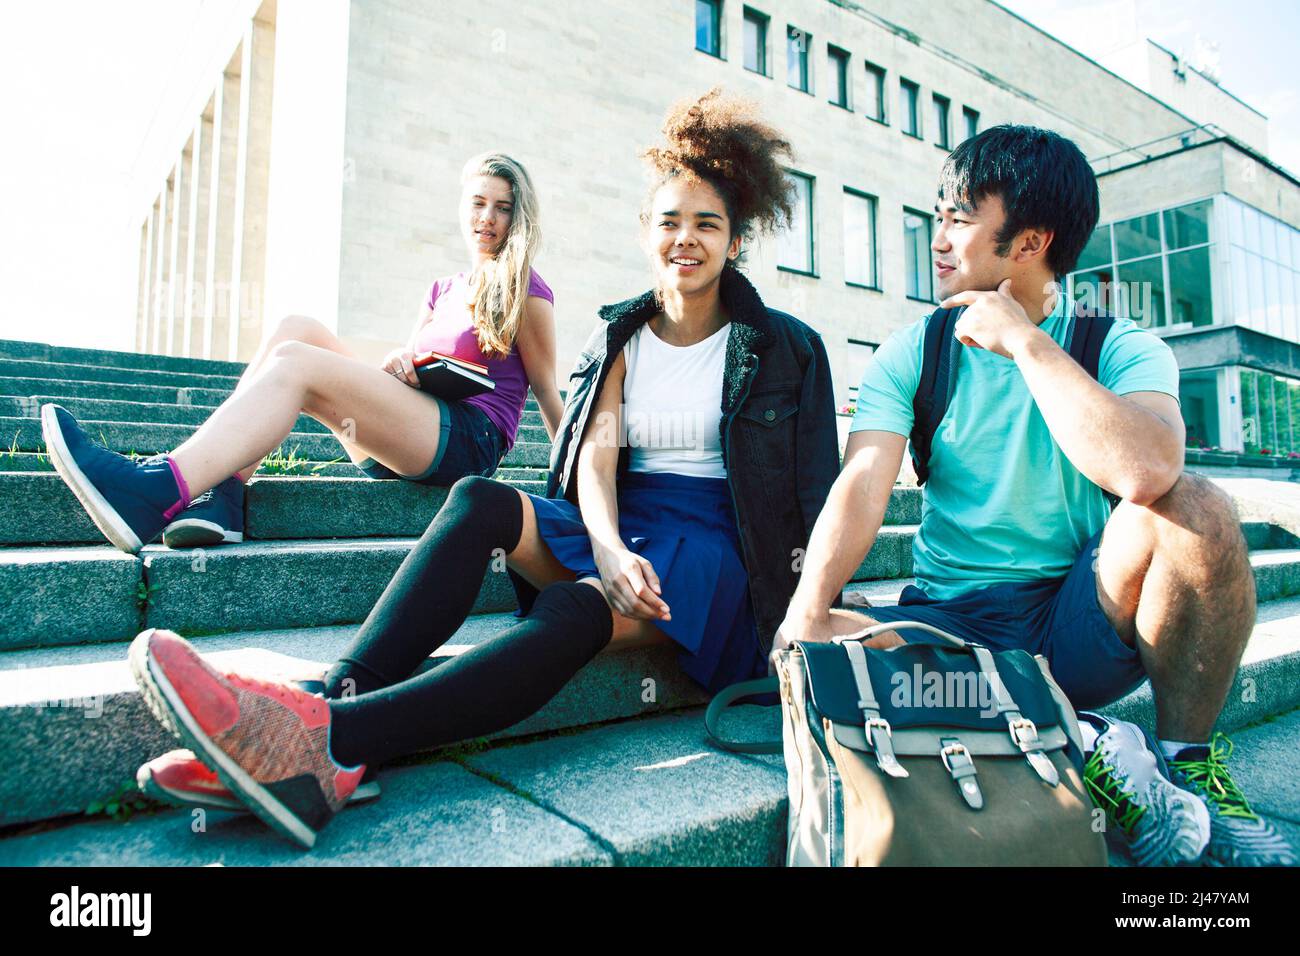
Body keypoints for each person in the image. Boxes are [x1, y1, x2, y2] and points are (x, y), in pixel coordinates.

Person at [127, 89, 840, 849]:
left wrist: (808, 613)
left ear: (736, 240)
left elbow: (816, 493)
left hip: (712, 549)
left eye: (707, 224)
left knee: (575, 612)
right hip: (624, 522)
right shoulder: (621, 338)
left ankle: (329, 742)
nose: (685, 239)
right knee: (479, 501)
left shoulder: (784, 348)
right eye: (669, 221)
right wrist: (604, 541)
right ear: (645, 232)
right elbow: (595, 459)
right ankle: (328, 705)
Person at [775, 124, 1294, 867]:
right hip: (954, 623)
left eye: (959, 217)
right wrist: (806, 607)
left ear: (1029, 243)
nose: (938, 237)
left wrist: (1027, 345)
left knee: (1201, 508)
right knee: (819, 635)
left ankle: (1184, 770)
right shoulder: (911, 351)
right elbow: (862, 484)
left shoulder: (1119, 346)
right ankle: (1091, 745)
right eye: (940, 214)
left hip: (1077, 618)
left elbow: (1150, 471)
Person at [41, 152, 563, 552]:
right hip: (406, 431)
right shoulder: (441, 289)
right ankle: (223, 495)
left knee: (297, 363)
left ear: (517, 217)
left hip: (468, 442)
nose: (487, 218)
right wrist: (400, 364)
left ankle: (155, 489)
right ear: (462, 207)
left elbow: (545, 390)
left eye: (502, 207)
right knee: (298, 329)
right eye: (478, 203)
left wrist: (574, 487)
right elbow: (408, 360)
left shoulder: (527, 289)